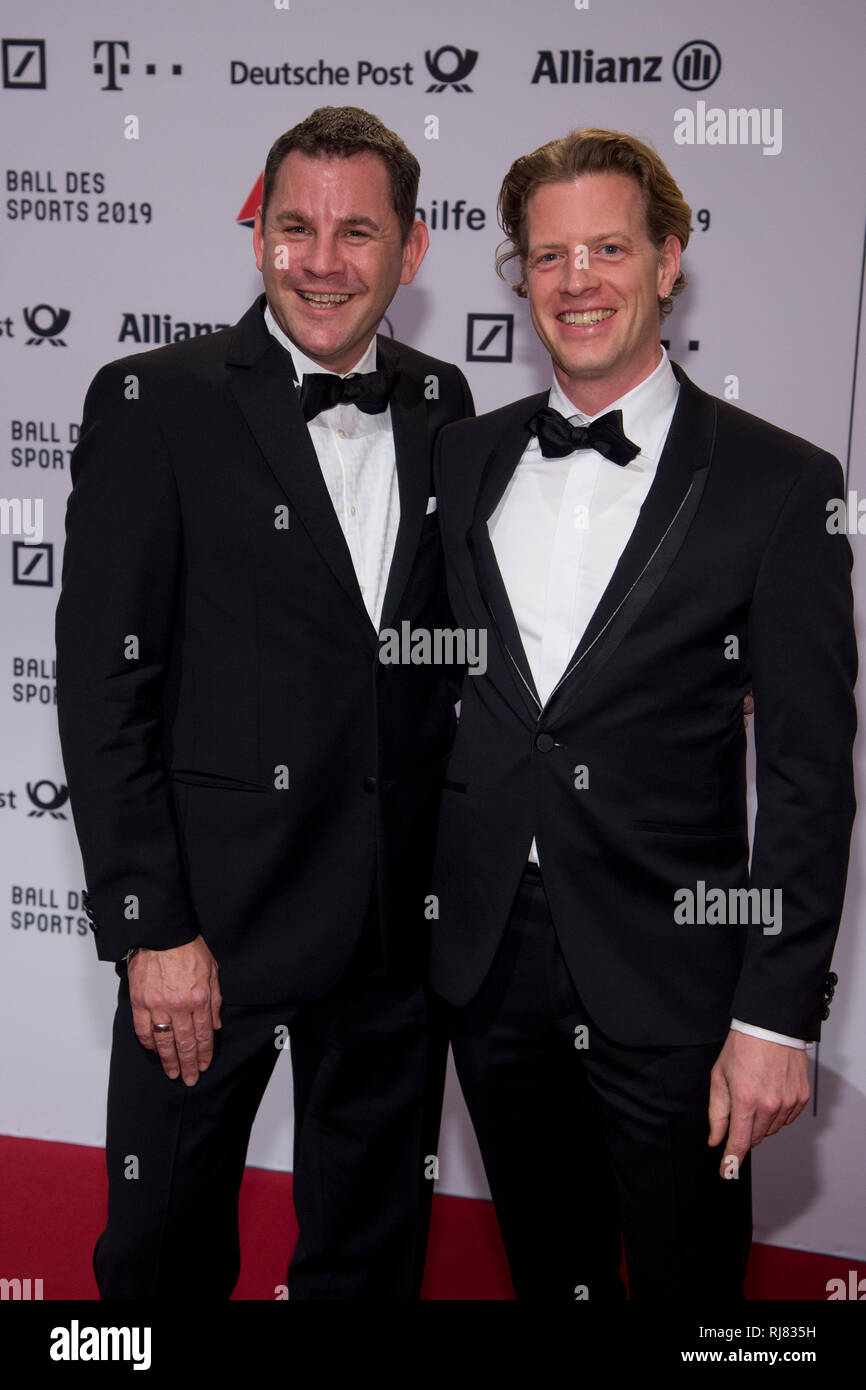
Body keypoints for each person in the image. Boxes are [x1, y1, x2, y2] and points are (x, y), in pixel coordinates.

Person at [429, 127, 856, 1302]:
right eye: (548, 255)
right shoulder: (464, 457)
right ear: (519, 275)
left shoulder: (779, 483)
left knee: (688, 1283)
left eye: (608, 247)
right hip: (486, 957)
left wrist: (778, 1016)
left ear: (668, 260)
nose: (576, 282)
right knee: (548, 1266)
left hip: (674, 970)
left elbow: (813, 773)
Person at [55, 105, 473, 1300]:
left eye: (355, 230)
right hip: (210, 936)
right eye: (294, 227)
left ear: (413, 248)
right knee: (161, 1254)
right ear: (258, 238)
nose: (321, 260)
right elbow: (104, 682)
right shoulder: (153, 402)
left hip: (395, 931)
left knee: (367, 1250)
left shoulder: (445, 407)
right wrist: (152, 927)